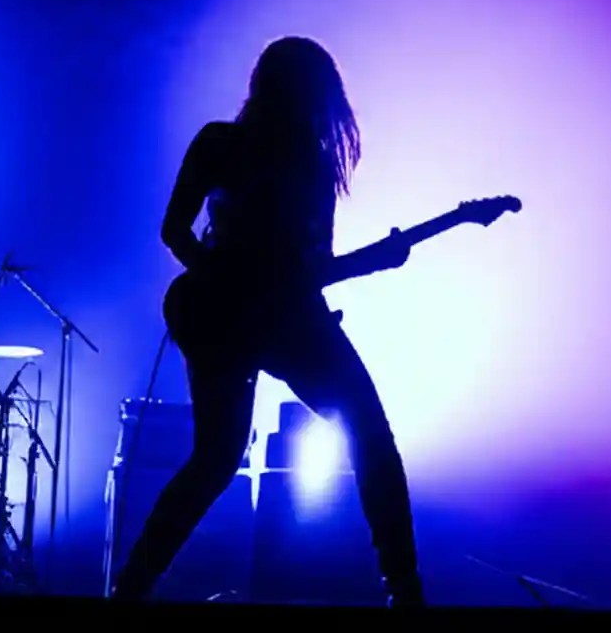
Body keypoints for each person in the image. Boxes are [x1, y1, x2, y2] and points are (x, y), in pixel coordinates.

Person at [111, 37, 424, 606]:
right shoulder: (220, 144)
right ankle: (131, 586)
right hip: (230, 311)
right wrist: (224, 282)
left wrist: (374, 261)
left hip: (281, 315)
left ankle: (404, 588)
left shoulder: (311, 168)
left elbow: (312, 272)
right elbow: (175, 230)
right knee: (223, 458)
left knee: (353, 435)